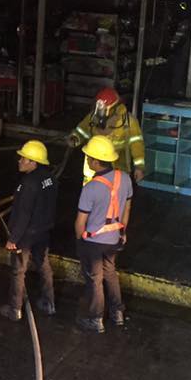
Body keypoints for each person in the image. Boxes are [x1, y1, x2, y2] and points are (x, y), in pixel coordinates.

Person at [74, 135, 133, 333]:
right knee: (111, 274)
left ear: (96, 161)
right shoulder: (124, 178)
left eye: (89, 158)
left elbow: (80, 222)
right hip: (114, 238)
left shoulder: (90, 188)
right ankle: (117, 313)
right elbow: (127, 208)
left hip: (93, 241)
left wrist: (79, 239)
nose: (88, 161)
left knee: (94, 279)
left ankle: (95, 319)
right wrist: (122, 230)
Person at [0, 140, 57, 322]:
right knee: (43, 265)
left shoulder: (28, 184)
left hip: (26, 235)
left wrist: (13, 238)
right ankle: (49, 303)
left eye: (24, 158)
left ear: (34, 162)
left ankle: (14, 308)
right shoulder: (50, 179)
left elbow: (23, 214)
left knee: (18, 270)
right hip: (44, 231)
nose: (20, 161)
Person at [68, 87, 145, 184]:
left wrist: (139, 167)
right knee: (91, 195)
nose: (100, 111)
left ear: (114, 107)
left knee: (114, 197)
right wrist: (75, 138)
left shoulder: (128, 122)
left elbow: (137, 144)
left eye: (104, 108)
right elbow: (82, 130)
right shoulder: (93, 117)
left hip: (117, 170)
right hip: (93, 169)